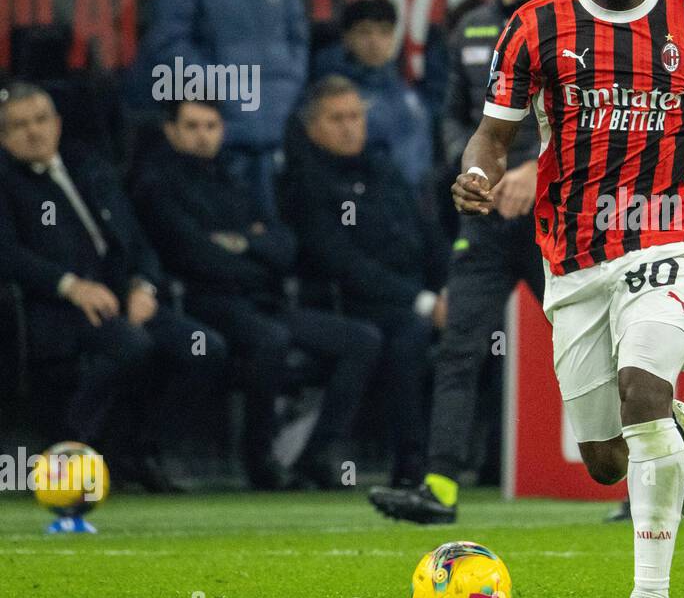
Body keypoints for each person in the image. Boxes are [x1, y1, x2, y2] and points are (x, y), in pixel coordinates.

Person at [369, 0, 684, 598]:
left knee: (642, 391)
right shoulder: (534, 27)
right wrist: (479, 172)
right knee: (603, 459)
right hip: (576, 254)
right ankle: (677, 437)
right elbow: (494, 131)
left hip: (671, 234)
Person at [133, 94, 383, 489]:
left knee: (362, 340)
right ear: (171, 131)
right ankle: (260, 459)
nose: (203, 136)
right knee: (269, 340)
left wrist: (240, 244)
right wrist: (252, 247)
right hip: (202, 302)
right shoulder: (155, 184)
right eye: (192, 127)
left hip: (263, 300)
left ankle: (313, 454)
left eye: (211, 127)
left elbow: (285, 246)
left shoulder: (233, 178)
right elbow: (193, 254)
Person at [398, 0, 554, 514]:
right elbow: (454, 117)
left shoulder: (572, 27)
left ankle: (636, 485)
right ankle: (439, 488)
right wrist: (475, 171)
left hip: (554, 221)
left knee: (594, 350)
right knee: (460, 345)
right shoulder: (467, 31)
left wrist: (535, 171)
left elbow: (583, 119)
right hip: (485, 221)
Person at [0, 82, 227, 491]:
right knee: (130, 347)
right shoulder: (7, 182)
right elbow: (8, 253)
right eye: (19, 126)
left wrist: (144, 286)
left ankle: (139, 450)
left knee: (203, 346)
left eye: (40, 120)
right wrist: (69, 286)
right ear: (3, 137)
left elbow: (136, 239)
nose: (33, 132)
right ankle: (70, 456)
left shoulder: (89, 167)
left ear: (58, 123)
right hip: (54, 310)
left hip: (124, 301)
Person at [280, 76, 449, 488]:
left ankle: (471, 456)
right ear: (311, 127)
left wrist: (450, 287)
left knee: (481, 328)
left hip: (415, 297)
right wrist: (423, 301)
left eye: (355, 116)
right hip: (347, 302)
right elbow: (339, 261)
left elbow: (428, 234)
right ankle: (411, 467)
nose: (349, 127)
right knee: (410, 334)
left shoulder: (382, 168)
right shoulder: (304, 181)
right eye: (337, 118)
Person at [146, 0, 308, 216]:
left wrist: (288, 90)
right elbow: (171, 46)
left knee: (282, 231)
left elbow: (297, 37)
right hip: (224, 137)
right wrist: (225, 98)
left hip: (278, 131)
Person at [311, 0, 434, 191]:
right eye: (364, 32)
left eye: (384, 33)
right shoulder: (332, 96)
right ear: (347, 38)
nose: (375, 42)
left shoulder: (406, 93)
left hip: (414, 205)